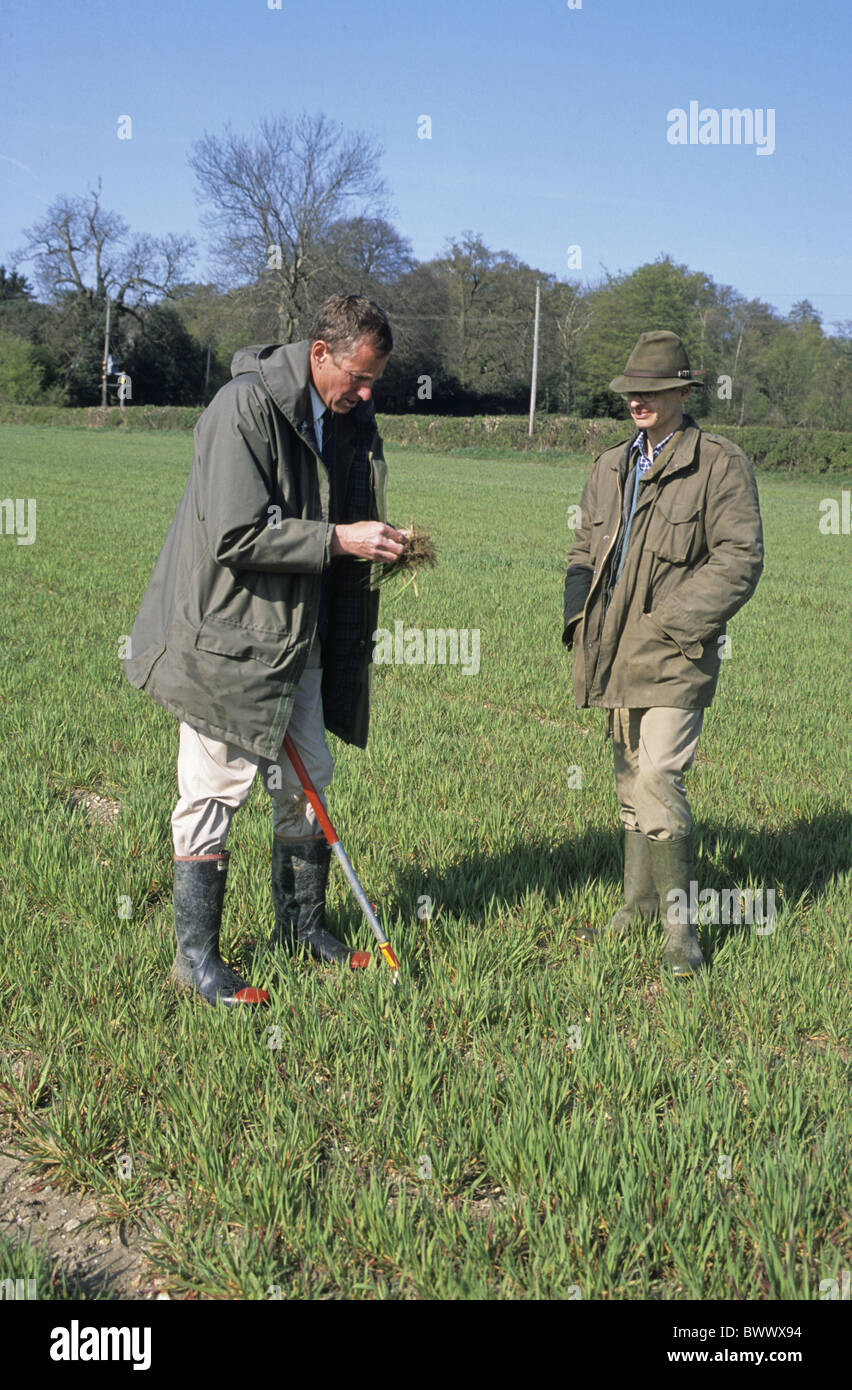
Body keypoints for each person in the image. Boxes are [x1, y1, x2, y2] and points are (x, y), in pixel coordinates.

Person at [122, 294, 406, 1006]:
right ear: (319, 354)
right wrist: (342, 541)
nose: (367, 393)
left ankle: (301, 929)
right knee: (213, 793)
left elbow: (329, 509)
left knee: (306, 784)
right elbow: (235, 533)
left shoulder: (342, 419)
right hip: (228, 641)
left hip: (297, 636)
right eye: (360, 378)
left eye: (375, 382)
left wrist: (375, 538)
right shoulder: (242, 410)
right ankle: (197, 962)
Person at [562, 331, 764, 974]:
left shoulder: (718, 464)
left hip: (676, 648)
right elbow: (582, 550)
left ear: (682, 391)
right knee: (627, 778)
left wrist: (672, 622)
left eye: (652, 391)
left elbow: (740, 558)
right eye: (631, 392)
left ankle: (682, 931)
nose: (638, 402)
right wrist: (575, 615)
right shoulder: (609, 465)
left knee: (658, 776)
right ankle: (636, 906)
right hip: (610, 646)